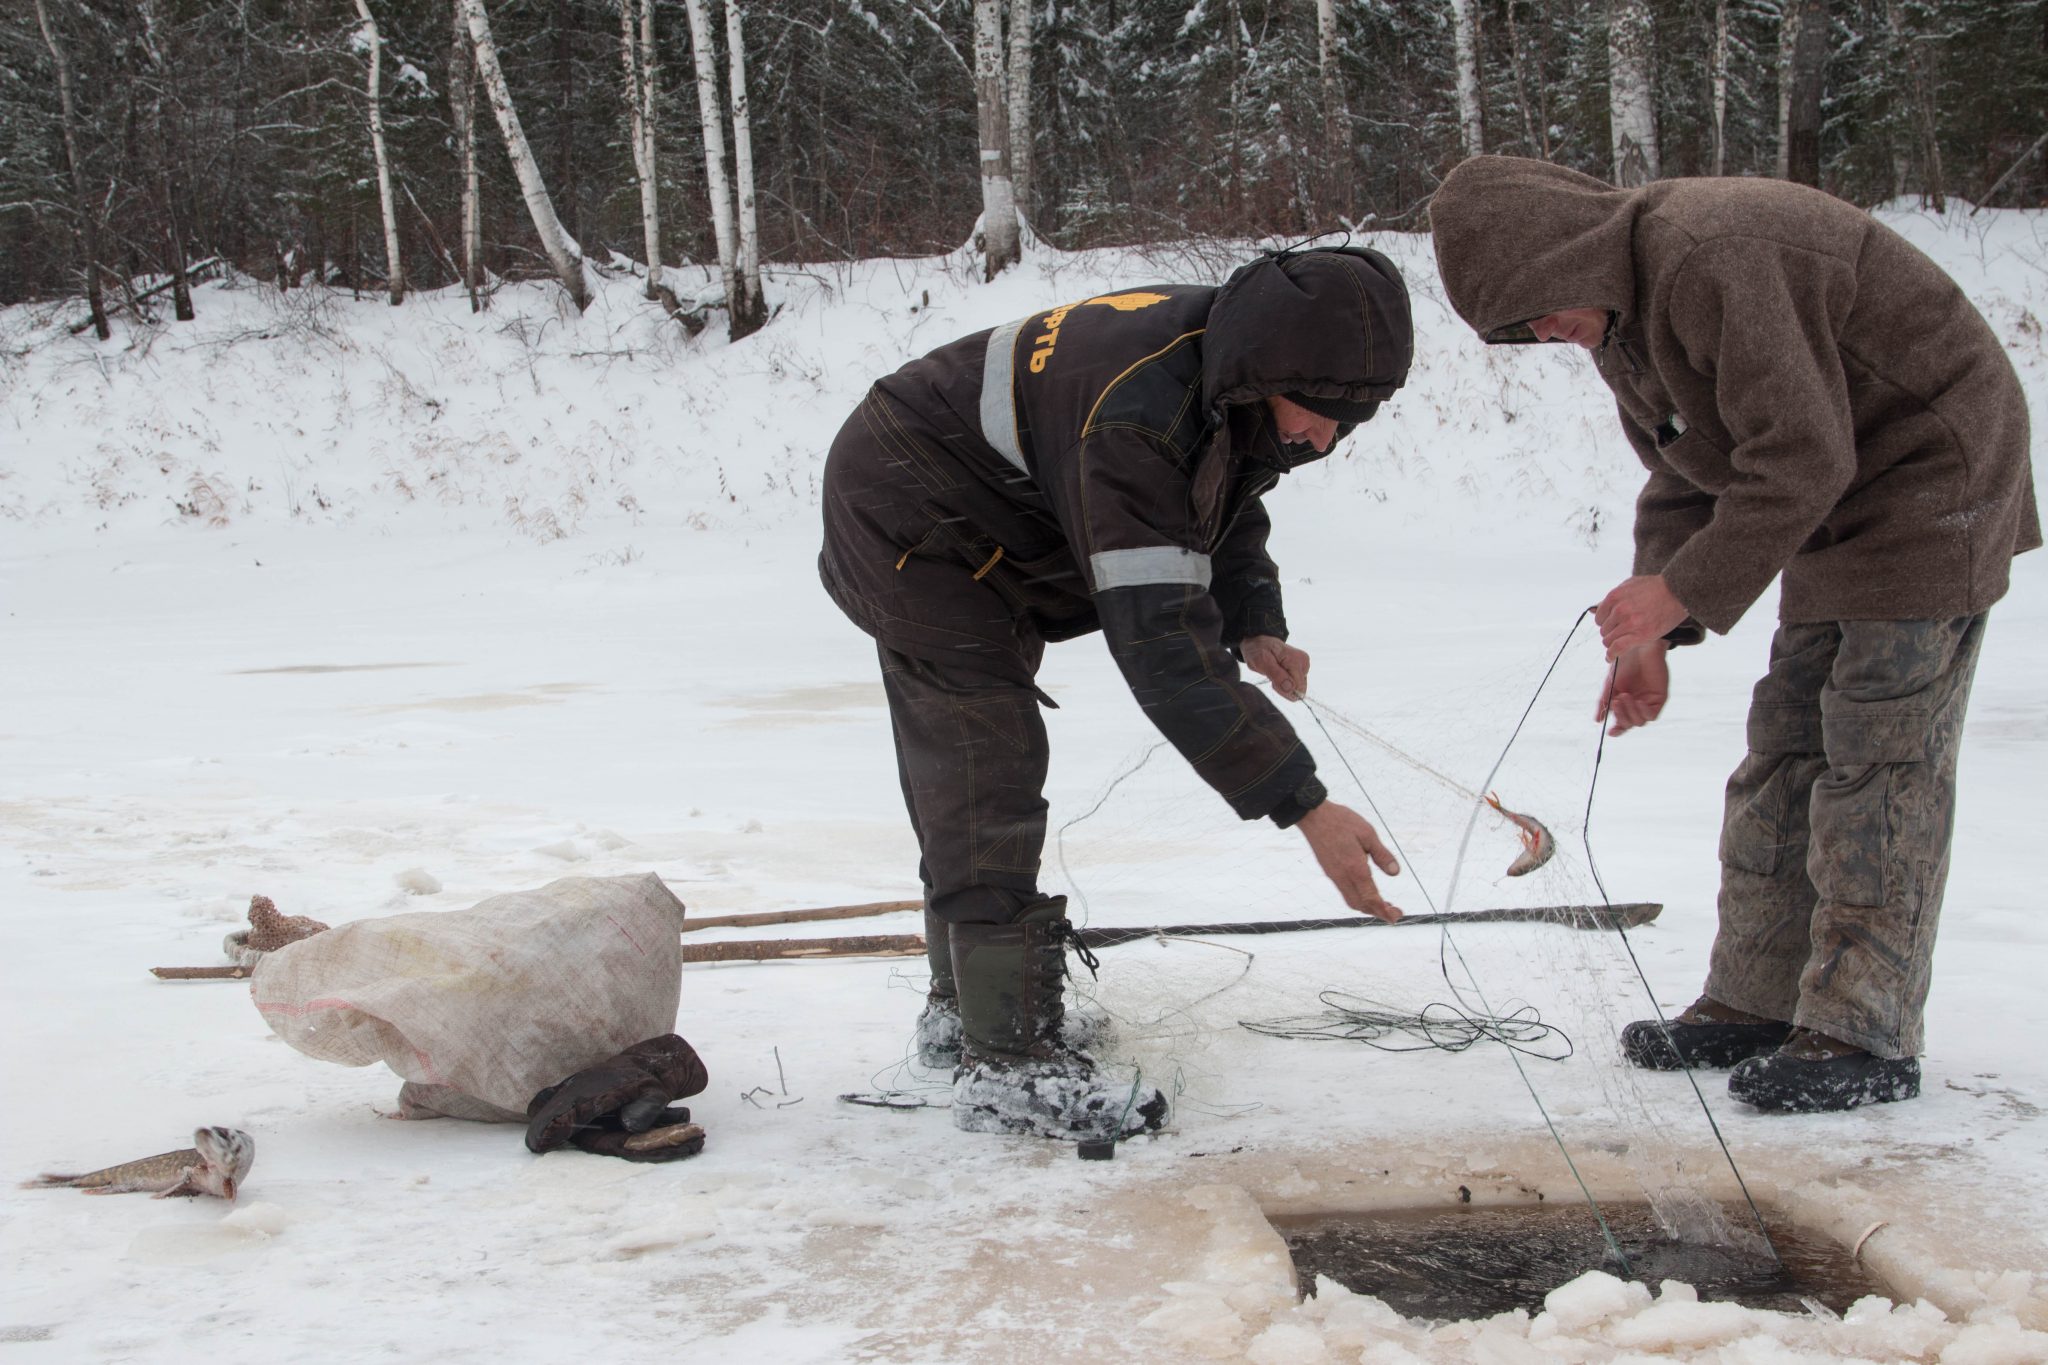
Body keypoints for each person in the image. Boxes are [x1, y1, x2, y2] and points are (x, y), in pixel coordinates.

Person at [1429, 155, 2038, 1113]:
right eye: (1520, 328)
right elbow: (1686, 466)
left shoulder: (1715, 256)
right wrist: (1651, 631)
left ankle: (1861, 1027)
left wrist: (1683, 592)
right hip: (1835, 493)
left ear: (1572, 248)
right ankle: (1754, 1000)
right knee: (1785, 746)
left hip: (1930, 476)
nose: (1543, 331)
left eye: (1538, 305)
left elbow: (1801, 455)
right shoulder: (1619, 315)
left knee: (1878, 752)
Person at [818, 246, 1415, 1140]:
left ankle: (971, 1014)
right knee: (986, 765)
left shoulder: (1230, 374)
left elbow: (1221, 494)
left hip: (996, 518)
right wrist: (1304, 803)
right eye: (1320, 415)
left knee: (982, 772)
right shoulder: (1138, 416)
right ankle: (1006, 1062)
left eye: (1349, 422)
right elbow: (1164, 648)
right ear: (1267, 371)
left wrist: (1253, 616)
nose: (1323, 439)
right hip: (910, 513)